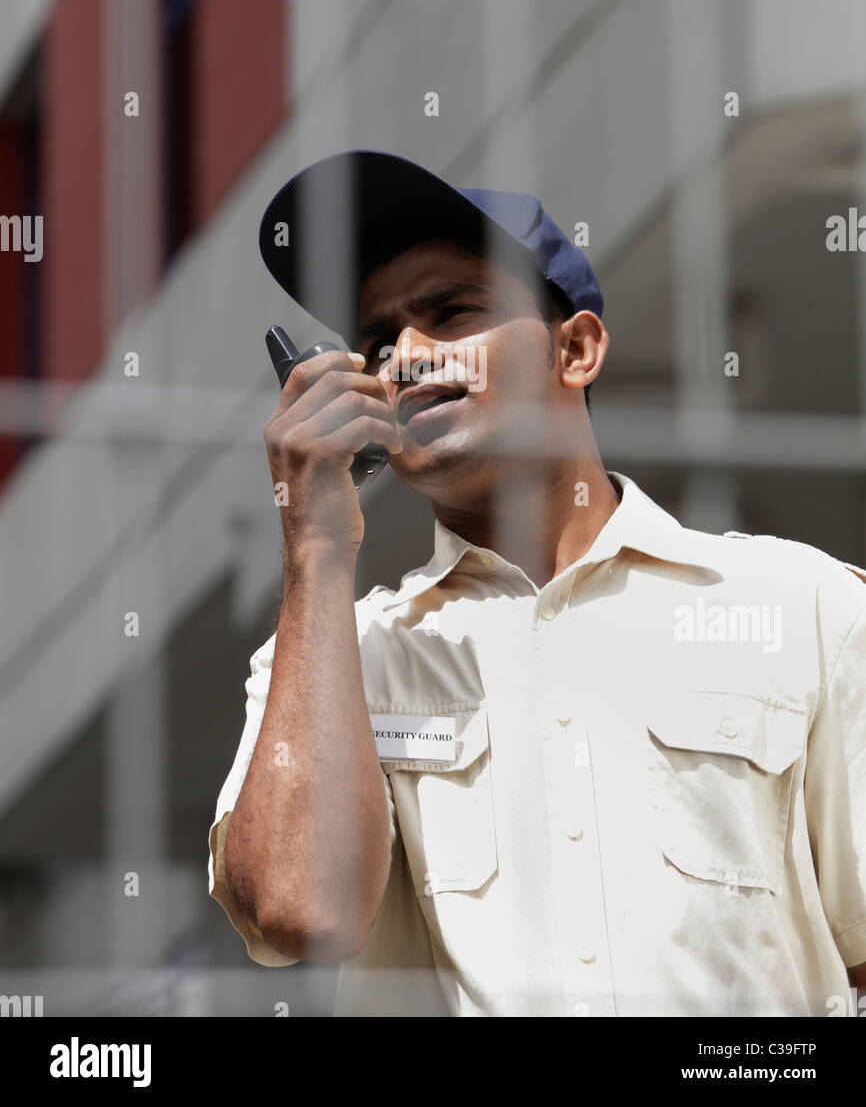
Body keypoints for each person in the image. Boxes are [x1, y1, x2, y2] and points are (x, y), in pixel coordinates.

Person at [208, 149, 866, 1017]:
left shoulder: (801, 606)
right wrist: (317, 546)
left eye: (451, 312)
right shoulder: (337, 653)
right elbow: (299, 915)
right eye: (377, 341)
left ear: (578, 349)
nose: (405, 355)